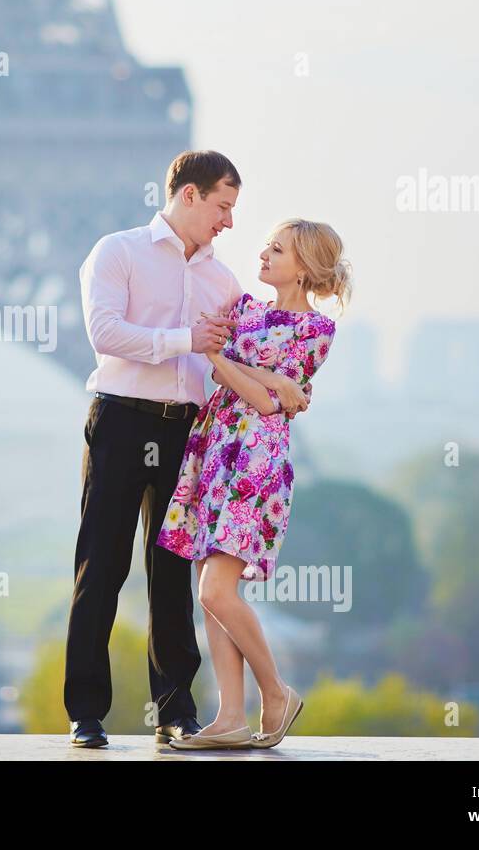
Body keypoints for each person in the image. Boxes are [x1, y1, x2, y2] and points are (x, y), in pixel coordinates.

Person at [64, 151, 313, 748]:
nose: (229, 221)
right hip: (121, 421)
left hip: (187, 432)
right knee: (101, 565)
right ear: (190, 195)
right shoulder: (117, 252)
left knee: (174, 571)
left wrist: (287, 386)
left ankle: (175, 708)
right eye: (224, 206)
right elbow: (104, 333)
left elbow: (250, 359)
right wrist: (186, 340)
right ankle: (86, 714)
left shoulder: (224, 282)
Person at [158, 219, 352, 750]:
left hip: (254, 462)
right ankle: (230, 718)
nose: (263, 254)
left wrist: (226, 361)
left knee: (214, 588)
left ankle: (277, 693)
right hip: (216, 451)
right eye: (266, 245)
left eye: (277, 249)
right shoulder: (244, 309)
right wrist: (274, 379)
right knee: (215, 597)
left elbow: (263, 402)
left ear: (306, 267)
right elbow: (258, 388)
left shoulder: (317, 332)